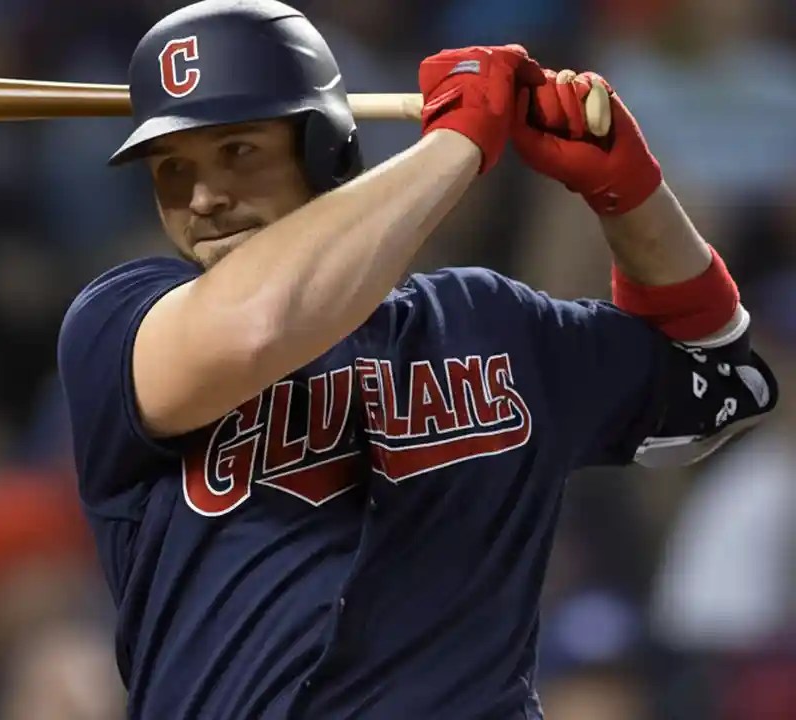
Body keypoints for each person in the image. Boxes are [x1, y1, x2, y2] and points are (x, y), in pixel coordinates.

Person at [55, 1, 780, 718]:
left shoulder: (488, 322)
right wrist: (458, 140)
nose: (205, 197)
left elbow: (714, 382)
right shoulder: (120, 319)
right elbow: (259, 325)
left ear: (326, 149)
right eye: (172, 169)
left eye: (238, 152)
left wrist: (628, 192)